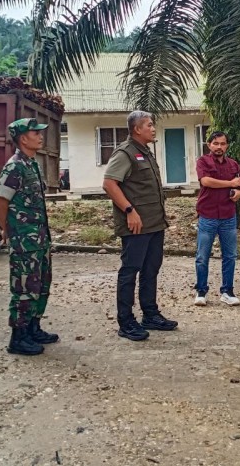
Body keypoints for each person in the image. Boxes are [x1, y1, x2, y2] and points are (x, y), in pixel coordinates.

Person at [102, 111, 177, 341]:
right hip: (136, 224)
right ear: (137, 129)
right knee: (130, 271)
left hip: (154, 223)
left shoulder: (145, 152)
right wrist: (129, 210)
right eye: (149, 125)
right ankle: (126, 322)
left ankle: (150, 314)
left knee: (150, 269)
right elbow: (109, 183)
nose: (153, 129)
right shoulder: (125, 153)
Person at [0, 118, 59, 356]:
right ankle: (18, 337)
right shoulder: (14, 167)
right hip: (24, 240)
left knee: (41, 285)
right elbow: (0, 203)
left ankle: (33, 327)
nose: (40, 136)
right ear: (23, 138)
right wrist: (7, 230)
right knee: (23, 287)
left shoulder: (32, 164)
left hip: (40, 239)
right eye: (35, 133)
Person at [193, 131, 240, 307]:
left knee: (230, 255)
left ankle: (227, 291)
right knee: (202, 256)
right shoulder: (203, 161)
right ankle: (201, 291)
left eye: (223, 144)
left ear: (227, 145)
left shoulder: (233, 164)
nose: (219, 147)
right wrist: (231, 184)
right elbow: (206, 181)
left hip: (228, 216)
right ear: (209, 144)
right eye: (216, 143)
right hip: (208, 215)